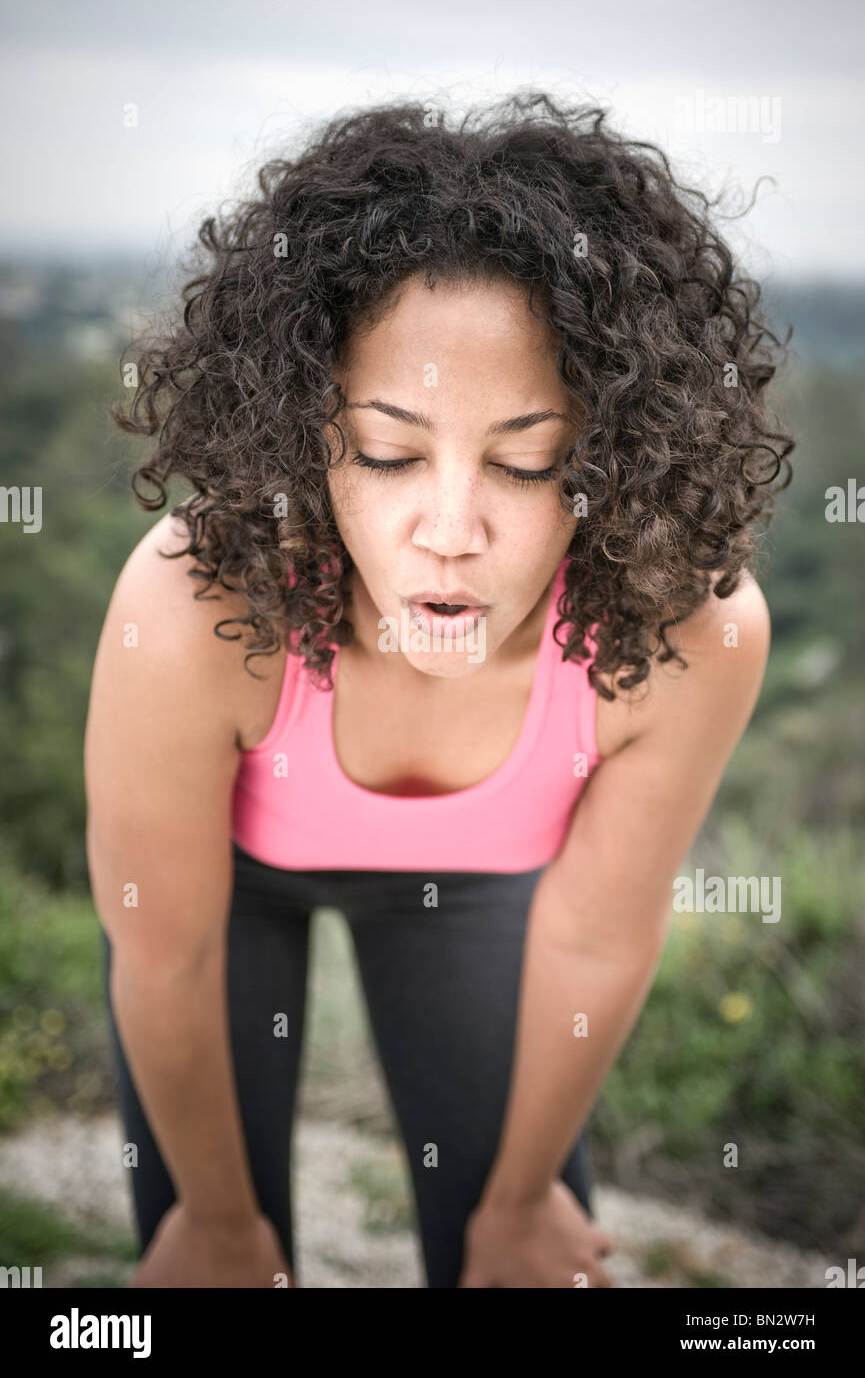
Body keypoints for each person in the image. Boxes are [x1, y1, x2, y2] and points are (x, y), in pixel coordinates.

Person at [83, 93, 793, 1288]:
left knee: (508, 1248)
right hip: (224, 901)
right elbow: (165, 955)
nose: (449, 531)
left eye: (525, 463)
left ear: (610, 458)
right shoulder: (192, 604)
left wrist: (520, 1206)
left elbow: (595, 936)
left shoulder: (693, 630)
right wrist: (213, 1222)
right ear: (303, 434)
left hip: (460, 898)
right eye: (388, 451)